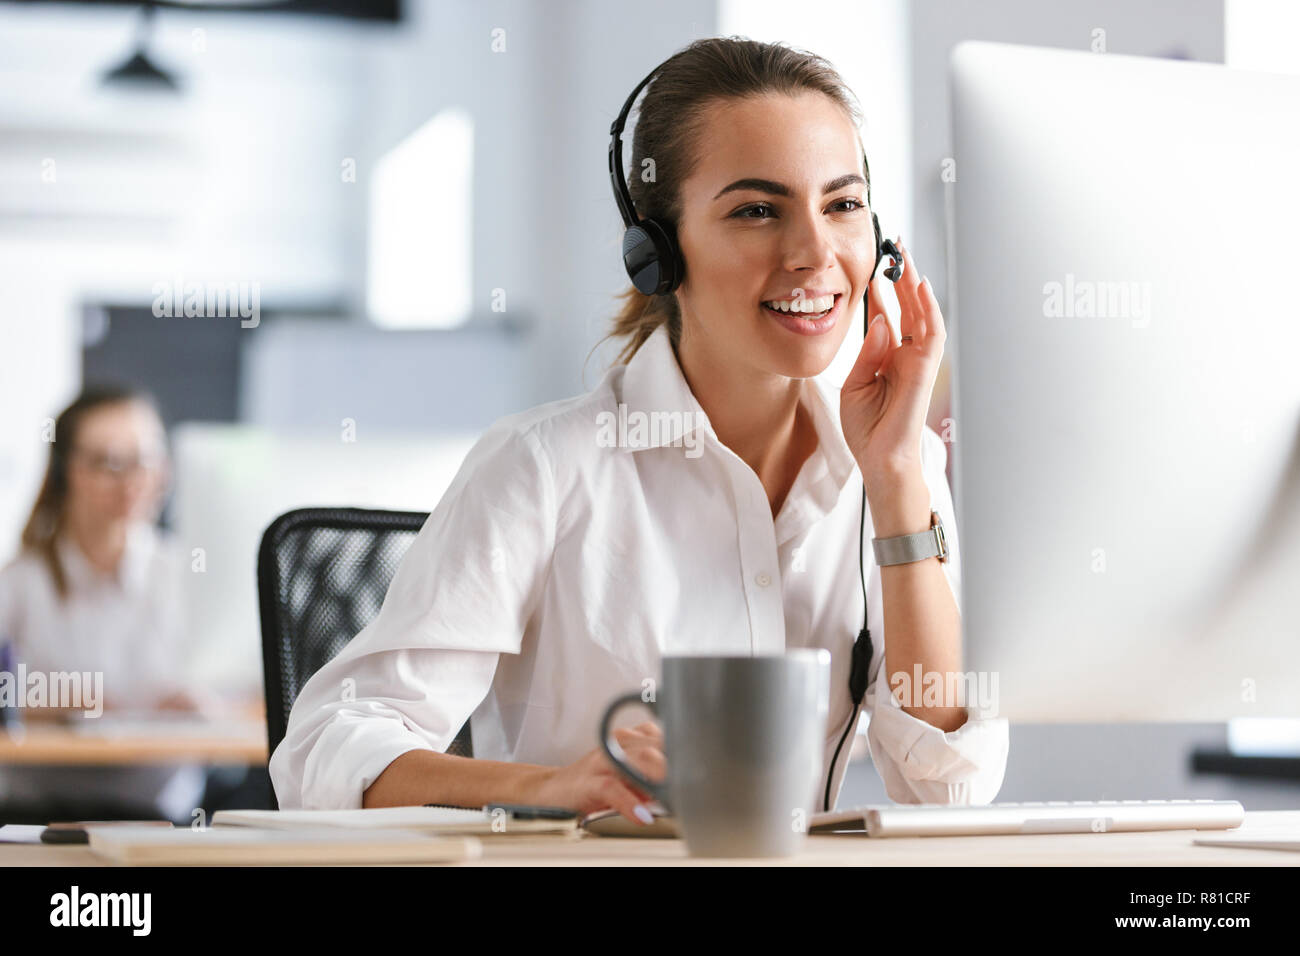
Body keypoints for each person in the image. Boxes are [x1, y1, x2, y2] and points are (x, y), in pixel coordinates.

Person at [270, 37, 1009, 822]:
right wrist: (546, 790)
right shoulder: (543, 469)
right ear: (656, 253)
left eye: (843, 204)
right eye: (757, 210)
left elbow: (948, 787)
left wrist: (898, 484)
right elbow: (326, 748)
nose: (813, 253)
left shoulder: (896, 470)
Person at [0, 385, 211, 823]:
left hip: (161, 815)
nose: (130, 480)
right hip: (32, 812)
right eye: (107, 463)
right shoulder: (21, 581)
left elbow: (247, 694)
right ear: (65, 472)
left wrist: (208, 703)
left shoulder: (192, 578)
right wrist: (50, 701)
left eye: (145, 460)